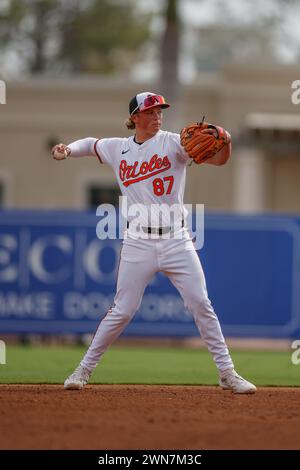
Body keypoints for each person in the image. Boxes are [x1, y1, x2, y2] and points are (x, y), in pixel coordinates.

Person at [52, 91, 256, 394]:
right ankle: (83, 370)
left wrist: (225, 143)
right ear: (135, 117)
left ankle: (227, 372)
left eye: (160, 111)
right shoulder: (117, 148)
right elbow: (90, 144)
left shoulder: (174, 142)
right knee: (122, 310)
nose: (157, 116)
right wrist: (67, 149)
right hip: (138, 241)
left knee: (201, 303)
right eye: (150, 111)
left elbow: (219, 162)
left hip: (177, 238)